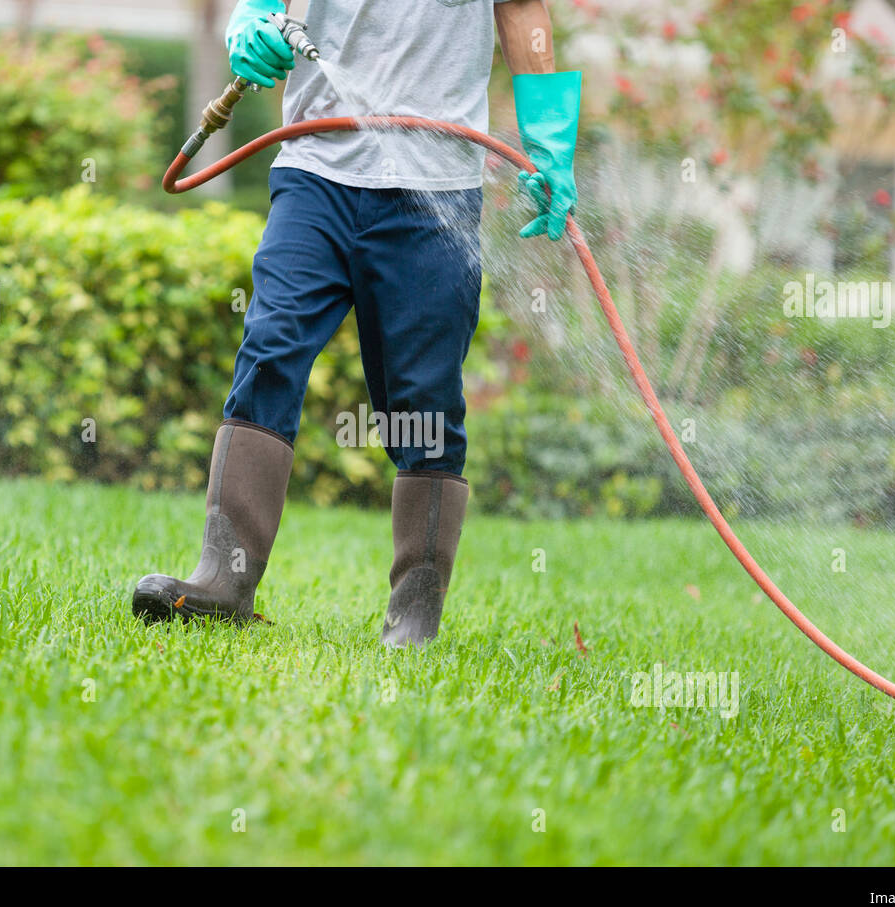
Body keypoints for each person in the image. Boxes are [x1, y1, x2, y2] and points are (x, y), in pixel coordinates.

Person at [133, 0, 580, 646]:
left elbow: (520, 7)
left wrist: (549, 144)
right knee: (271, 343)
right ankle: (223, 581)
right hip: (317, 168)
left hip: (438, 186)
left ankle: (415, 608)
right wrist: (251, 19)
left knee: (424, 394)